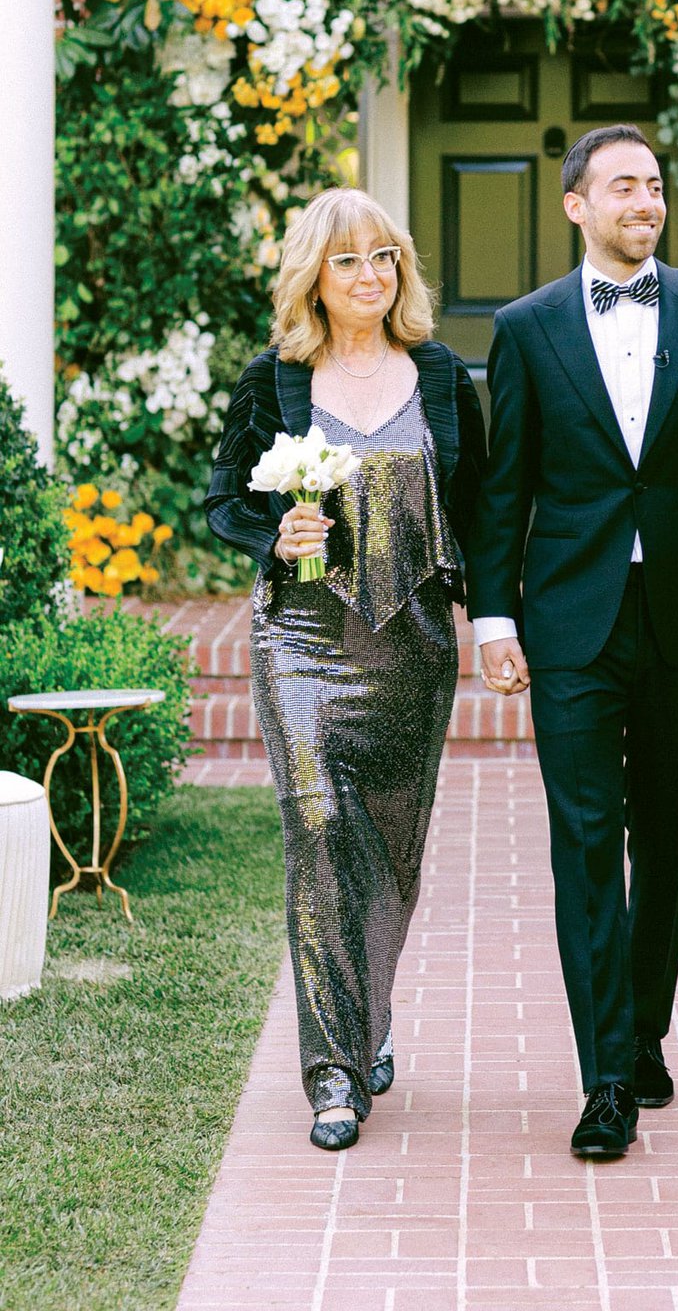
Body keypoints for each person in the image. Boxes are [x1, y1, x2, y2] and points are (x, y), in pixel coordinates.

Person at [466, 124, 678, 1158]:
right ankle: (604, 1080)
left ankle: (643, 1029)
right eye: (623, 186)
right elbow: (503, 486)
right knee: (587, 837)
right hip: (570, 616)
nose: (645, 202)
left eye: (654, 185)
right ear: (577, 206)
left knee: (671, 828)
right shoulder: (526, 327)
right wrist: (495, 618)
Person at [206, 187, 486, 1152]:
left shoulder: (440, 374)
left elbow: (480, 505)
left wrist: (496, 617)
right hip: (303, 640)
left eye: (384, 257)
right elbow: (224, 499)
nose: (370, 276)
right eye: (348, 261)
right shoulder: (275, 379)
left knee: (393, 860)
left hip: (414, 646)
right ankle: (332, 1073)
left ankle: (367, 1013)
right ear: (313, 278)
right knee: (321, 834)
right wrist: (273, 536)